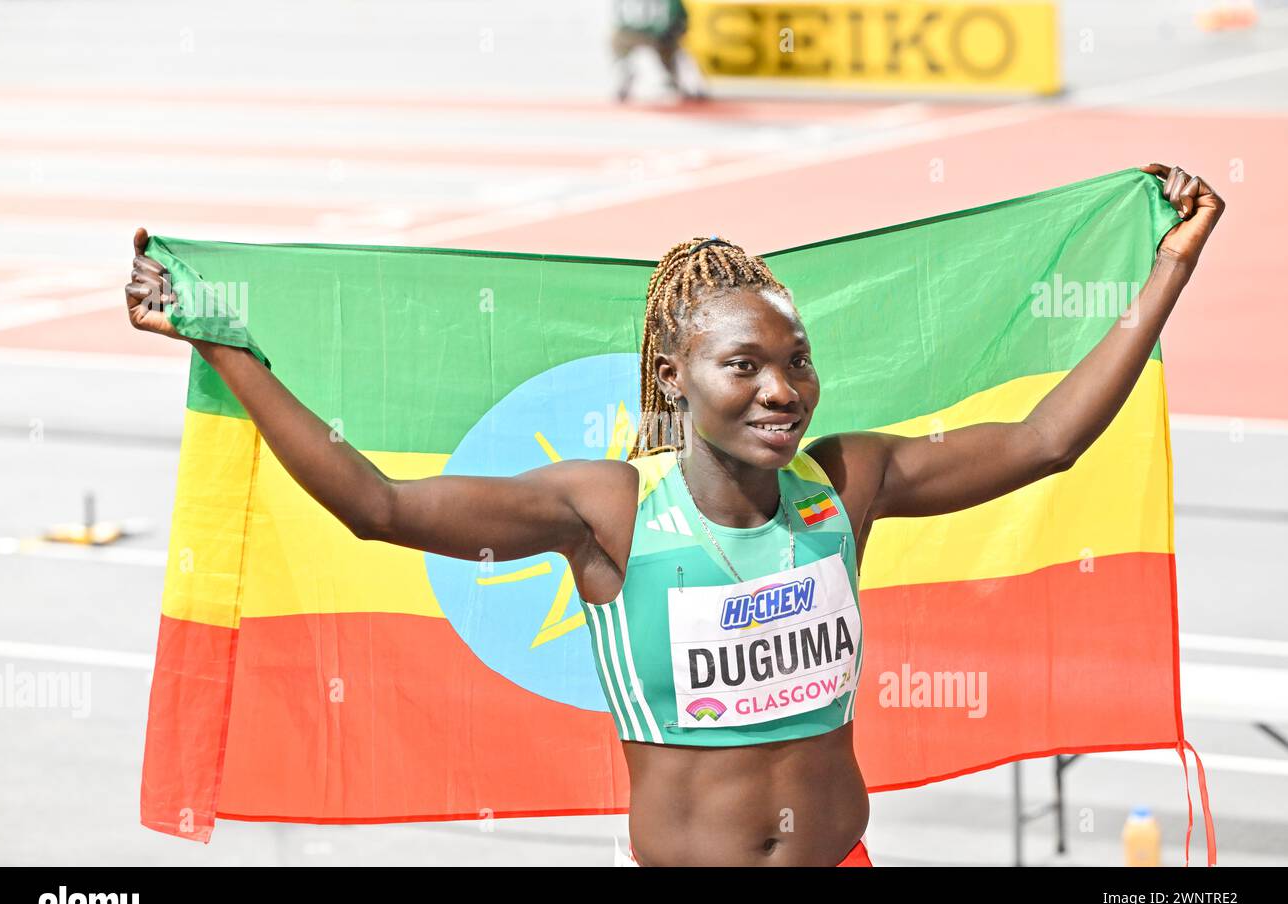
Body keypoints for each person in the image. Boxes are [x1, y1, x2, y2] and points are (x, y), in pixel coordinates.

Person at [124, 163, 1222, 867]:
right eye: (742, 363)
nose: (780, 388)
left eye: (796, 362)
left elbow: (1045, 441)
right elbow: (379, 505)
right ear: (672, 370)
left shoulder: (846, 484)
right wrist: (226, 342)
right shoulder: (603, 511)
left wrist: (1167, 266)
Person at [612, 0, 706, 102]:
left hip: (641, 34)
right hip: (658, 35)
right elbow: (682, 18)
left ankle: (685, 83)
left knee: (617, 40)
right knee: (678, 50)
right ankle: (685, 83)